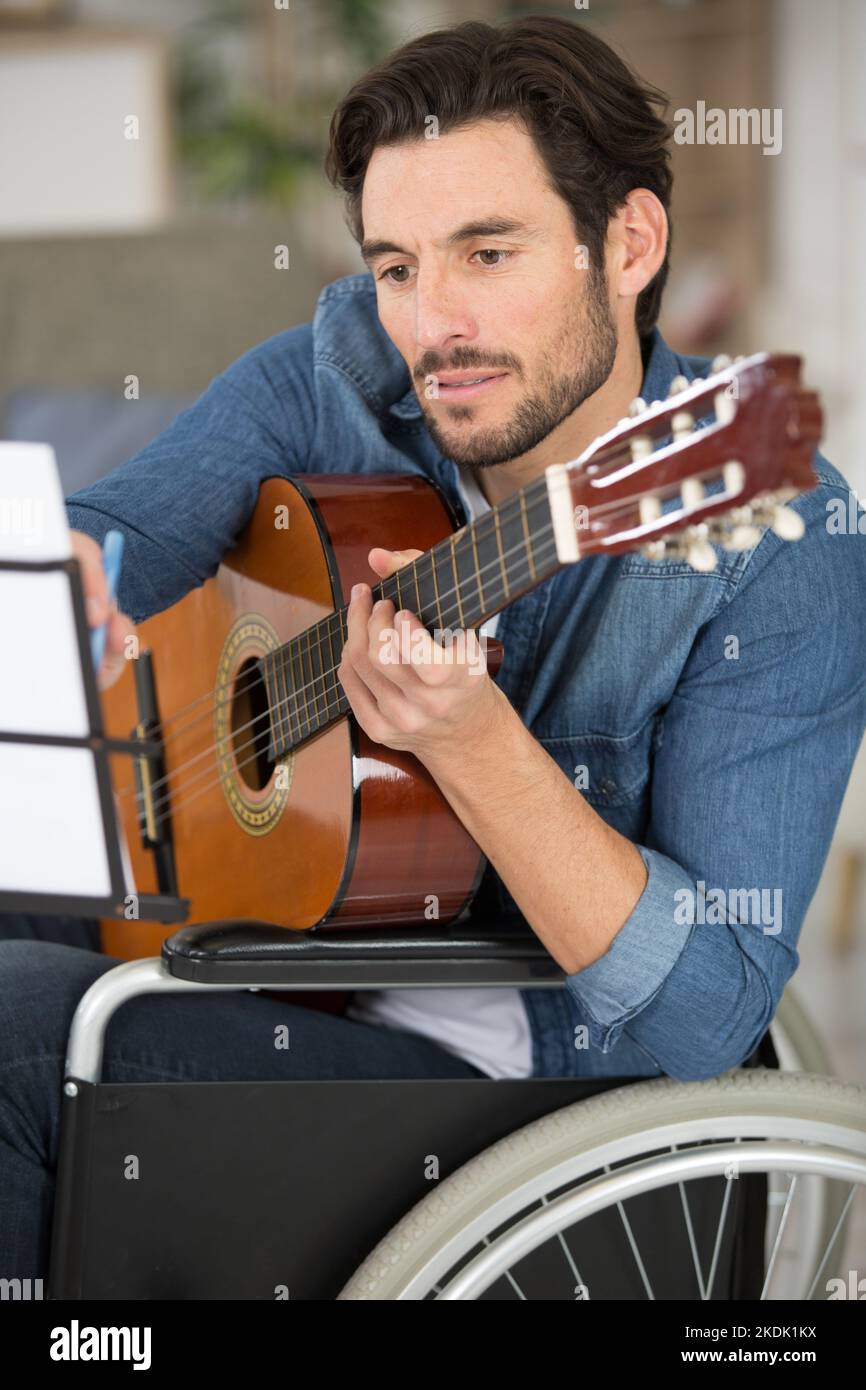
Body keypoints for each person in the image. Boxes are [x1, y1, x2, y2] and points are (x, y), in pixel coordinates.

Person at [2, 15, 865, 1281]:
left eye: (487, 251)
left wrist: (469, 743)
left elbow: (703, 1013)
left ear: (625, 242)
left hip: (514, 1112)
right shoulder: (338, 376)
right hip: (286, 967)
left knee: (18, 1023)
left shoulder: (773, 543)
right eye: (397, 265)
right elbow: (127, 528)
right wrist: (68, 564)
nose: (433, 326)